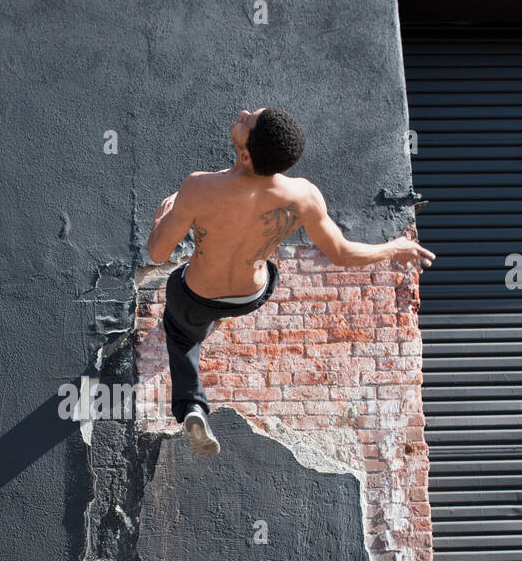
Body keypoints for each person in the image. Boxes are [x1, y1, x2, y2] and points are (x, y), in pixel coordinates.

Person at [147, 106, 436, 457]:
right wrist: (395, 247)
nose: (242, 113)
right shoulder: (304, 197)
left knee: (180, 328)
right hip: (250, 295)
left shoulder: (197, 187)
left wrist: (163, 217)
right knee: (247, 282)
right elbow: (342, 253)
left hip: (197, 294)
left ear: (246, 156)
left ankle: (192, 407)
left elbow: (158, 254)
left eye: (247, 121)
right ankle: (211, 324)